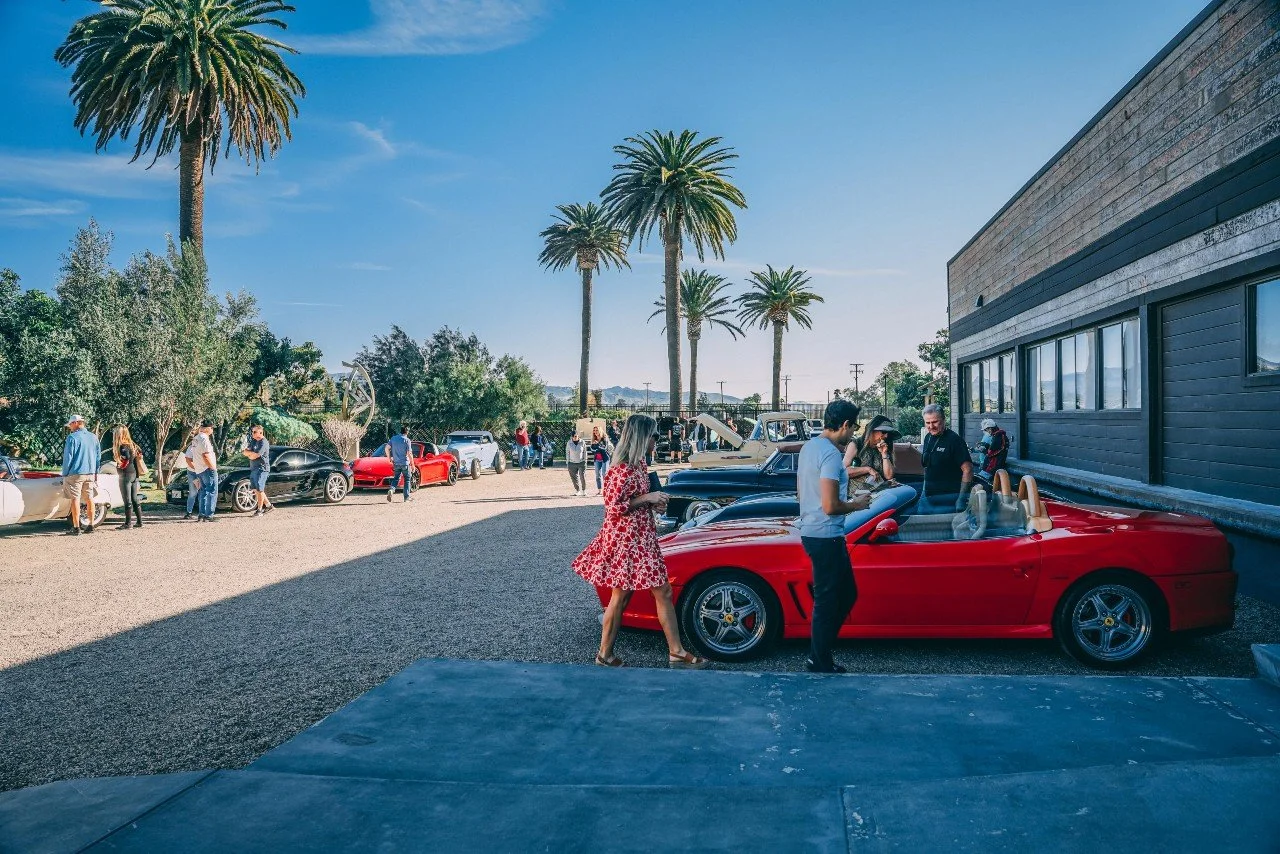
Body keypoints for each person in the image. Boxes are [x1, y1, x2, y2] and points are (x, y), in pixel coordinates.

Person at [572, 414, 708, 669]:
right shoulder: (621, 468)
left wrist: (653, 502)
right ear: (641, 437)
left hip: (641, 539)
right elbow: (614, 507)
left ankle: (672, 652)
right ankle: (607, 655)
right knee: (622, 598)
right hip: (627, 542)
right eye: (654, 435)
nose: (657, 440)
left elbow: (636, 500)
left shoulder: (638, 466)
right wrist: (647, 499)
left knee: (658, 592)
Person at [797, 400, 873, 673]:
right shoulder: (830, 454)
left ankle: (821, 653)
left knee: (842, 595)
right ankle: (819, 659)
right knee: (830, 599)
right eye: (854, 427)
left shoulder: (810, 447)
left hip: (814, 531)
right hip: (826, 534)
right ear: (844, 425)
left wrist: (845, 498)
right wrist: (858, 505)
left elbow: (807, 494)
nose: (854, 433)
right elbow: (830, 506)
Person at [918, 404, 974, 514]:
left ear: (943, 420)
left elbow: (968, 470)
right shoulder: (928, 437)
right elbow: (928, 467)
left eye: (935, 422)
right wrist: (923, 493)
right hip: (928, 496)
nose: (931, 426)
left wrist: (961, 500)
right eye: (927, 423)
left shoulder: (955, 440)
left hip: (948, 500)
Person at [61, 415, 101, 535]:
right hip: (90, 472)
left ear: (76, 423)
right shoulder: (94, 437)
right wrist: (95, 472)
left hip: (76, 473)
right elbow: (98, 457)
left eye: (71, 425)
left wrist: (65, 473)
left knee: (75, 499)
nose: (70, 428)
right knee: (89, 499)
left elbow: (68, 457)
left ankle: (76, 527)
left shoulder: (72, 437)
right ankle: (91, 525)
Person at [843, 415, 900, 492]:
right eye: (883, 432)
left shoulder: (884, 447)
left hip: (879, 492)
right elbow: (843, 472)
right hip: (856, 496)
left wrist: (884, 454)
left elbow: (889, 476)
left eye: (888, 433)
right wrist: (867, 469)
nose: (886, 436)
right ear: (872, 430)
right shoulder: (856, 444)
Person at [111, 425, 144, 529]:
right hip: (134, 474)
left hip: (126, 475)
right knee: (135, 499)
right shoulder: (133, 445)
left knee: (127, 499)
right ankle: (139, 522)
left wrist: (119, 466)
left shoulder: (123, 447)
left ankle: (128, 523)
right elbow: (139, 455)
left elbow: (126, 460)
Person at [190, 420, 219, 521]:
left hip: (199, 469)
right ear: (207, 429)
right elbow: (206, 455)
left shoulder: (196, 438)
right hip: (207, 468)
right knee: (212, 491)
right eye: (211, 428)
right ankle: (209, 515)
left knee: (203, 492)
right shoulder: (204, 439)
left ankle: (201, 514)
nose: (212, 430)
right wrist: (213, 467)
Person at [244, 423, 273, 516]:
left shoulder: (263, 442)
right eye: (252, 431)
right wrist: (250, 454)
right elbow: (244, 452)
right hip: (254, 468)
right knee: (256, 489)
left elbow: (255, 455)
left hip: (262, 468)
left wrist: (251, 454)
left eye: (254, 432)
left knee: (260, 489)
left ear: (260, 432)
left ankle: (259, 510)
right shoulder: (253, 441)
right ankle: (268, 505)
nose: (252, 433)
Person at [386, 426, 414, 502]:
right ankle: (406, 498)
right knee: (407, 480)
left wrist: (389, 458)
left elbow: (386, 448)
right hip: (405, 463)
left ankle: (391, 490)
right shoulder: (407, 440)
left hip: (396, 463)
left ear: (400, 431)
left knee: (396, 479)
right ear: (407, 432)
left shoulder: (393, 438)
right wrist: (412, 464)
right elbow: (409, 453)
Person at [588, 426, 613, 495]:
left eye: (597, 430)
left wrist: (597, 445)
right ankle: (600, 490)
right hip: (597, 459)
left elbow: (605, 448)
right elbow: (592, 449)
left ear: (600, 431)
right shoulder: (594, 439)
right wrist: (595, 447)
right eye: (594, 430)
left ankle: (607, 489)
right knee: (597, 475)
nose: (595, 432)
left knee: (604, 474)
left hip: (605, 459)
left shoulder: (605, 438)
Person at [182, 429, 201, 520]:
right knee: (193, 492)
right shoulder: (192, 447)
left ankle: (202, 512)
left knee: (202, 492)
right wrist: (197, 468)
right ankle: (189, 512)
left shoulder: (205, 446)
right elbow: (188, 460)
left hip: (201, 471)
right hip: (194, 472)